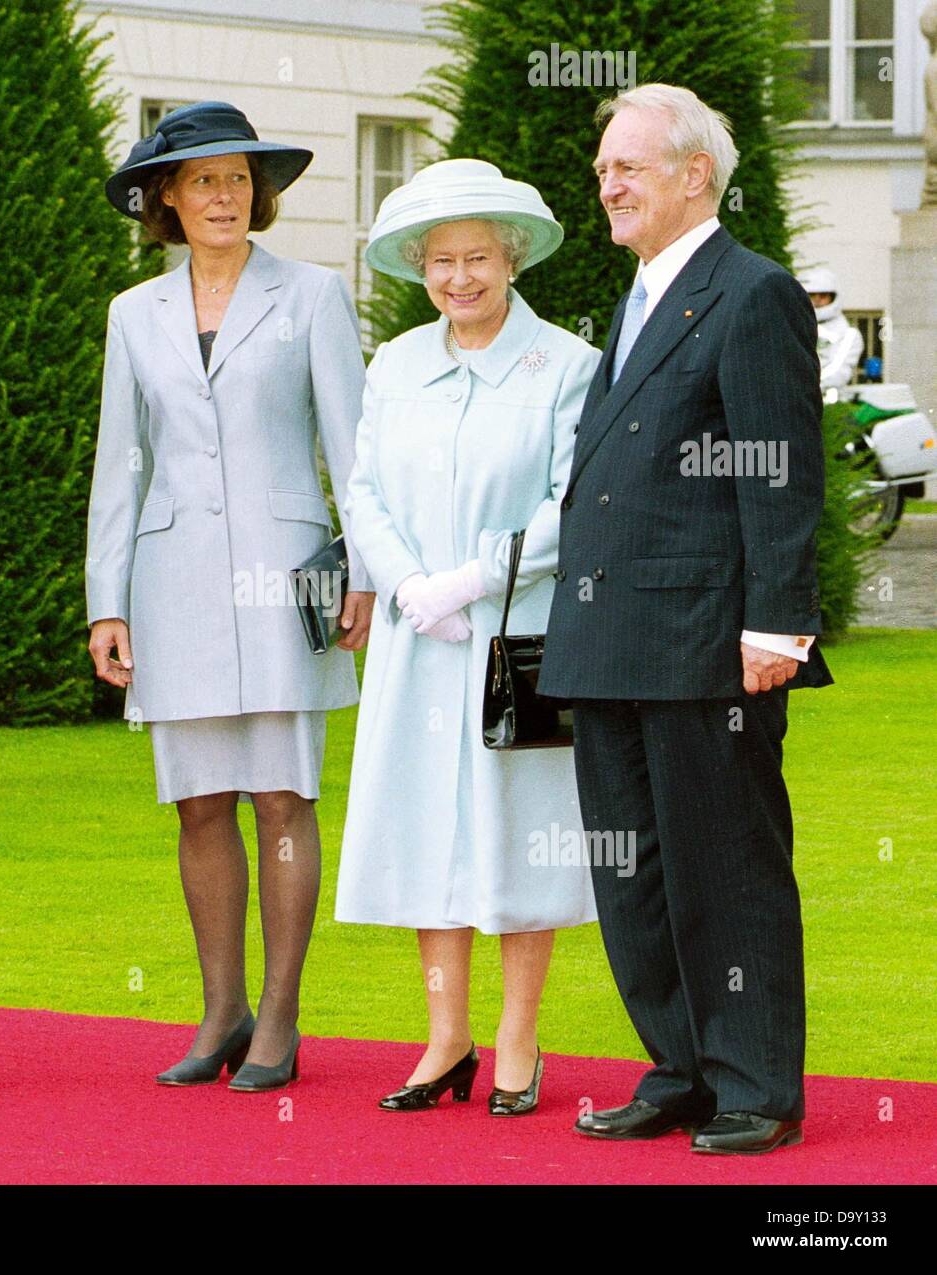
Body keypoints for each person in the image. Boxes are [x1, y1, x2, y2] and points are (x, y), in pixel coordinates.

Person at [540, 83, 833, 1155]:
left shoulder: (751, 295)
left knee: (729, 869)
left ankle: (754, 1084)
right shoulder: (636, 296)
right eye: (603, 170)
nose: (606, 184)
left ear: (694, 175)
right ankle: (680, 1068)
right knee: (633, 871)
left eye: (626, 168)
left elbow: (779, 475)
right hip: (607, 639)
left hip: (708, 646)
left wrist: (779, 625)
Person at [86, 101, 375, 1092]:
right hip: (171, 590)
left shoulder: (314, 296)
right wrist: (105, 601)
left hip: (288, 585)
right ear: (165, 196)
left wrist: (367, 572)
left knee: (283, 796)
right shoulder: (134, 314)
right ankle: (220, 1011)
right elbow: (119, 466)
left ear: (261, 193)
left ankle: (281, 1018)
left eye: (239, 179)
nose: (224, 195)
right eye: (203, 179)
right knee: (198, 805)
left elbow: (355, 451)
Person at [335, 159, 600, 1116]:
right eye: (441, 260)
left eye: (478, 257)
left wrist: (472, 577)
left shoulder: (567, 364)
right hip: (419, 638)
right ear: (420, 266)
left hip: (515, 634)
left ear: (512, 255)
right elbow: (363, 490)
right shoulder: (396, 362)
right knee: (424, 832)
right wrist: (409, 586)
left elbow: (574, 505)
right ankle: (447, 1038)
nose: (460, 278)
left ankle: (521, 1042)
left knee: (522, 834)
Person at [797, 267, 864, 390]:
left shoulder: (848, 334)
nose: (816, 301)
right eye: (811, 295)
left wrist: (800, 386)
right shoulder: (791, 324)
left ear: (833, 297)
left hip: (826, 400)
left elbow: (837, 371)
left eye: (822, 296)